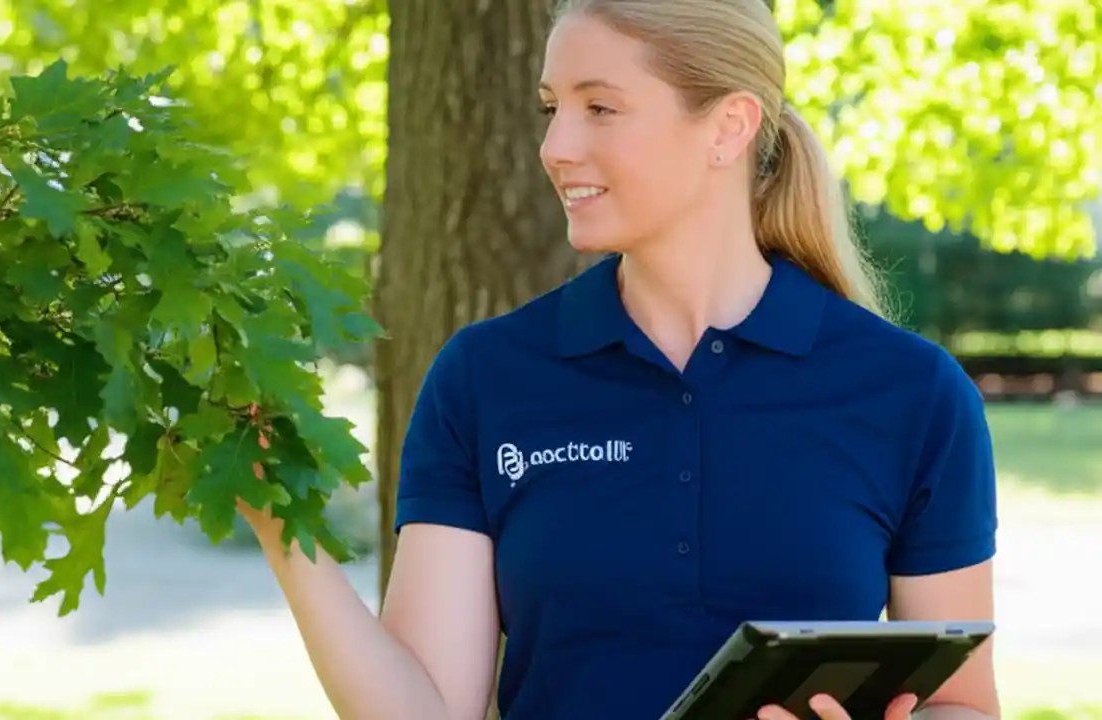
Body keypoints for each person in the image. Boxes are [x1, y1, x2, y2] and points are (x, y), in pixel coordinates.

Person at [236, 1, 1000, 718]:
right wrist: (282, 529)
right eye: (552, 107)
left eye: (599, 107)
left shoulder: (914, 394)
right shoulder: (485, 378)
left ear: (729, 127)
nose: (555, 146)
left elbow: (964, 702)